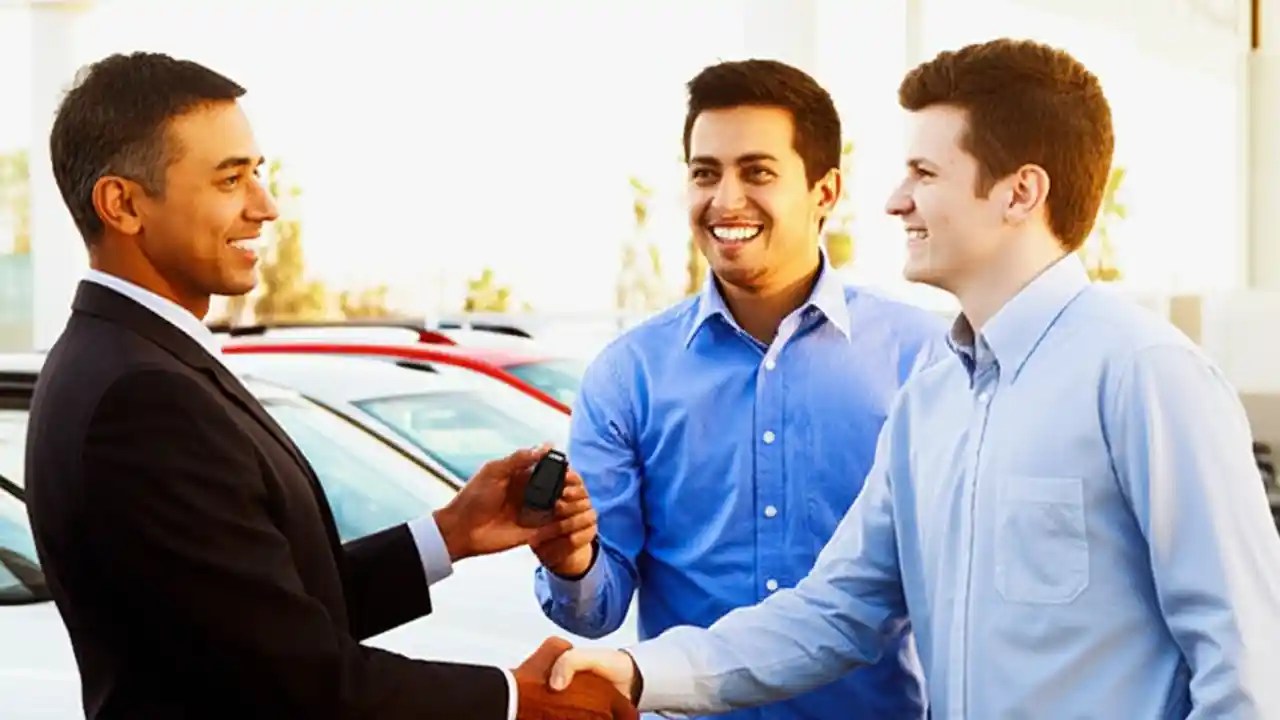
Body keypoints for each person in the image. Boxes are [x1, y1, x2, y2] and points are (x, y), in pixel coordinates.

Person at [542, 38, 1280, 719]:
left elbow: (1248, 661)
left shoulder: (1145, 375)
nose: (895, 200)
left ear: (1020, 193)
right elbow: (833, 612)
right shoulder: (932, 394)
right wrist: (633, 672)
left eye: (925, 173)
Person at [24, 52, 634, 720]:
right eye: (231, 179)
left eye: (258, 173)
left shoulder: (130, 357)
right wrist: (519, 702)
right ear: (124, 204)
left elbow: (262, 615)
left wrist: (450, 531)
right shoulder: (140, 395)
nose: (266, 206)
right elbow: (294, 682)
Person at [530, 58, 946, 720]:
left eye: (757, 172)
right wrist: (573, 563)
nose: (724, 200)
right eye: (705, 173)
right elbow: (596, 612)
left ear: (825, 192)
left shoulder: (924, 359)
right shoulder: (627, 375)